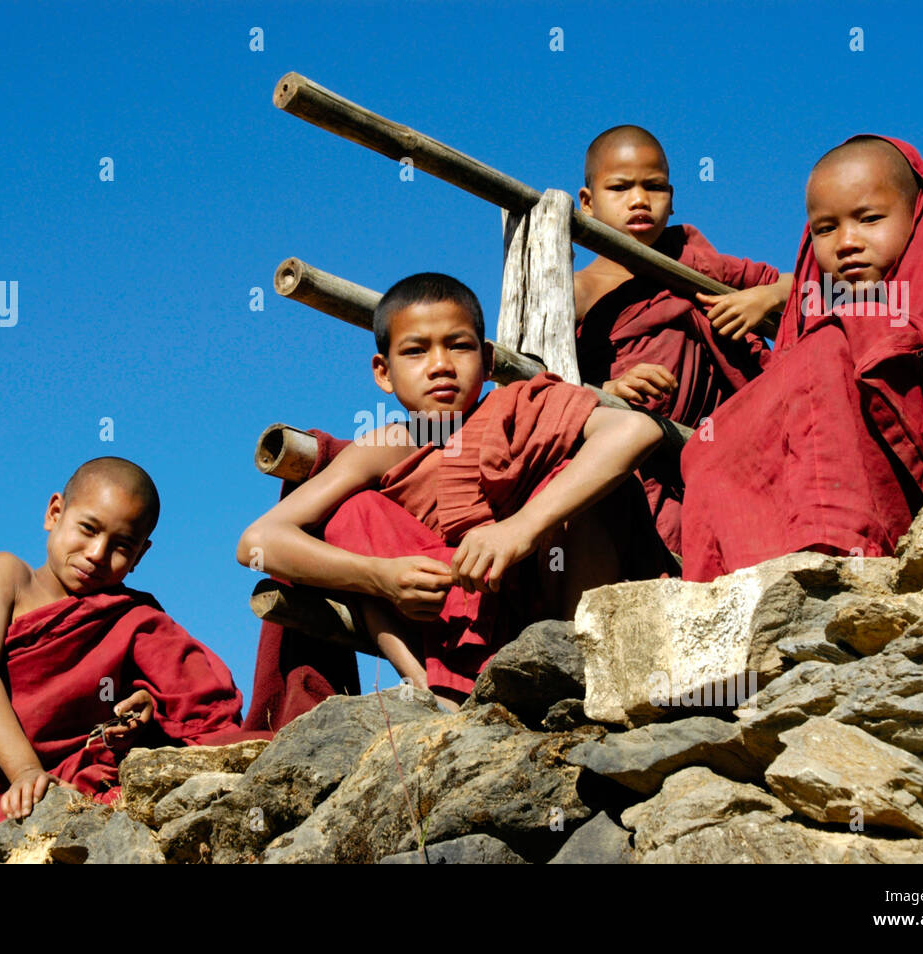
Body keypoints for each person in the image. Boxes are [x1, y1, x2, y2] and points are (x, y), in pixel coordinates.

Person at [238, 273, 667, 709]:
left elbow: (635, 429)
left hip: (546, 601)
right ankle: (430, 689)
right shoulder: (386, 448)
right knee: (352, 512)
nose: (441, 364)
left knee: (588, 479)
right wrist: (380, 577)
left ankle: (576, 664)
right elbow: (257, 542)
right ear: (383, 373)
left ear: (487, 360)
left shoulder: (521, 408)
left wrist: (521, 528)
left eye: (458, 346)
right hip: (442, 617)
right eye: (415, 350)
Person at [679, 135, 923, 581]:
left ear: (916, 217)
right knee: (706, 443)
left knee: (834, 339)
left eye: (870, 219)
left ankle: (834, 542)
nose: (847, 242)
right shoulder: (811, 322)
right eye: (826, 228)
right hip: (795, 523)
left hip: (899, 514)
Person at [0, 456, 253, 823]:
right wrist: (24, 772)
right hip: (27, 779)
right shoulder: (10, 576)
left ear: (140, 556)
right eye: (88, 528)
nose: (97, 554)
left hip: (100, 774)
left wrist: (147, 712)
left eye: (122, 546)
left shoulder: (133, 616)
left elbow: (198, 706)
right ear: (54, 513)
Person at [574, 125, 793, 553]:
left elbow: (802, 280)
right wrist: (608, 391)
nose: (639, 200)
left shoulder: (693, 263)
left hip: (716, 451)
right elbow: (550, 387)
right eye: (620, 187)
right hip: (631, 461)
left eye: (653, 187)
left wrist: (765, 298)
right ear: (586, 203)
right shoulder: (579, 290)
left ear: (671, 199)